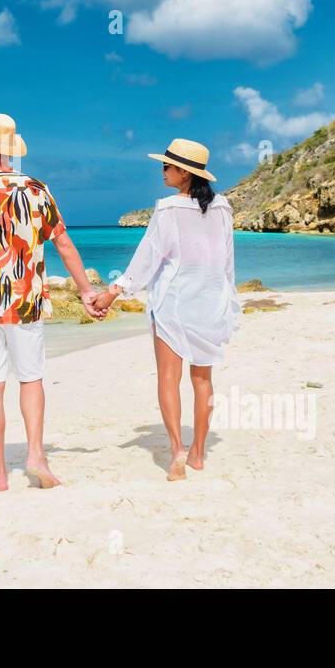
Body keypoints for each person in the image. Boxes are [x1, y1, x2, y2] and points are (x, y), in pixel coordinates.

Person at [0, 112, 105, 492]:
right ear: (11, 149)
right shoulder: (37, 189)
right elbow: (63, 243)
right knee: (31, 379)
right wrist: (87, 290)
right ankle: (36, 456)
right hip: (26, 302)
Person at [94, 138, 239, 481]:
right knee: (203, 380)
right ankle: (199, 453)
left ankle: (177, 449)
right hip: (209, 302)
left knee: (168, 379)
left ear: (184, 173)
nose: (162, 171)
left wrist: (115, 291)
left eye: (166, 166)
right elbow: (226, 261)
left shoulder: (168, 208)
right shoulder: (223, 208)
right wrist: (227, 299)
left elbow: (149, 256)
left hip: (174, 304)